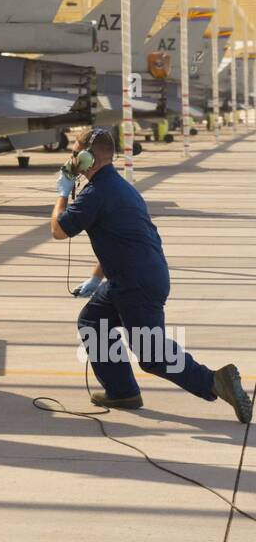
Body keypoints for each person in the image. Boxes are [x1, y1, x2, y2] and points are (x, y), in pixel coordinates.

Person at [50, 126, 252, 419]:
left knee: (151, 355)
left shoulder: (95, 193)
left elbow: (58, 230)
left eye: (74, 153)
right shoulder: (120, 187)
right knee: (92, 320)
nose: (70, 160)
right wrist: (96, 278)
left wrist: (62, 193)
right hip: (139, 275)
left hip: (135, 284)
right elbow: (119, 241)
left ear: (86, 158)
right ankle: (122, 392)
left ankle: (215, 381)